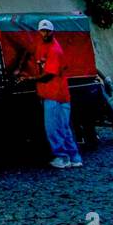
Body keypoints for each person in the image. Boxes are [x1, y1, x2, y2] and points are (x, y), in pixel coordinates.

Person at [30, 19, 82, 169]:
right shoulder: (42, 45)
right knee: (63, 127)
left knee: (53, 128)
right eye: (43, 30)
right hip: (59, 93)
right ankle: (74, 157)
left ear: (53, 31)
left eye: (47, 31)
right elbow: (30, 52)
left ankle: (62, 157)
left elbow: (48, 75)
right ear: (39, 31)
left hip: (55, 95)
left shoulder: (54, 50)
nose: (45, 33)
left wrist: (30, 78)